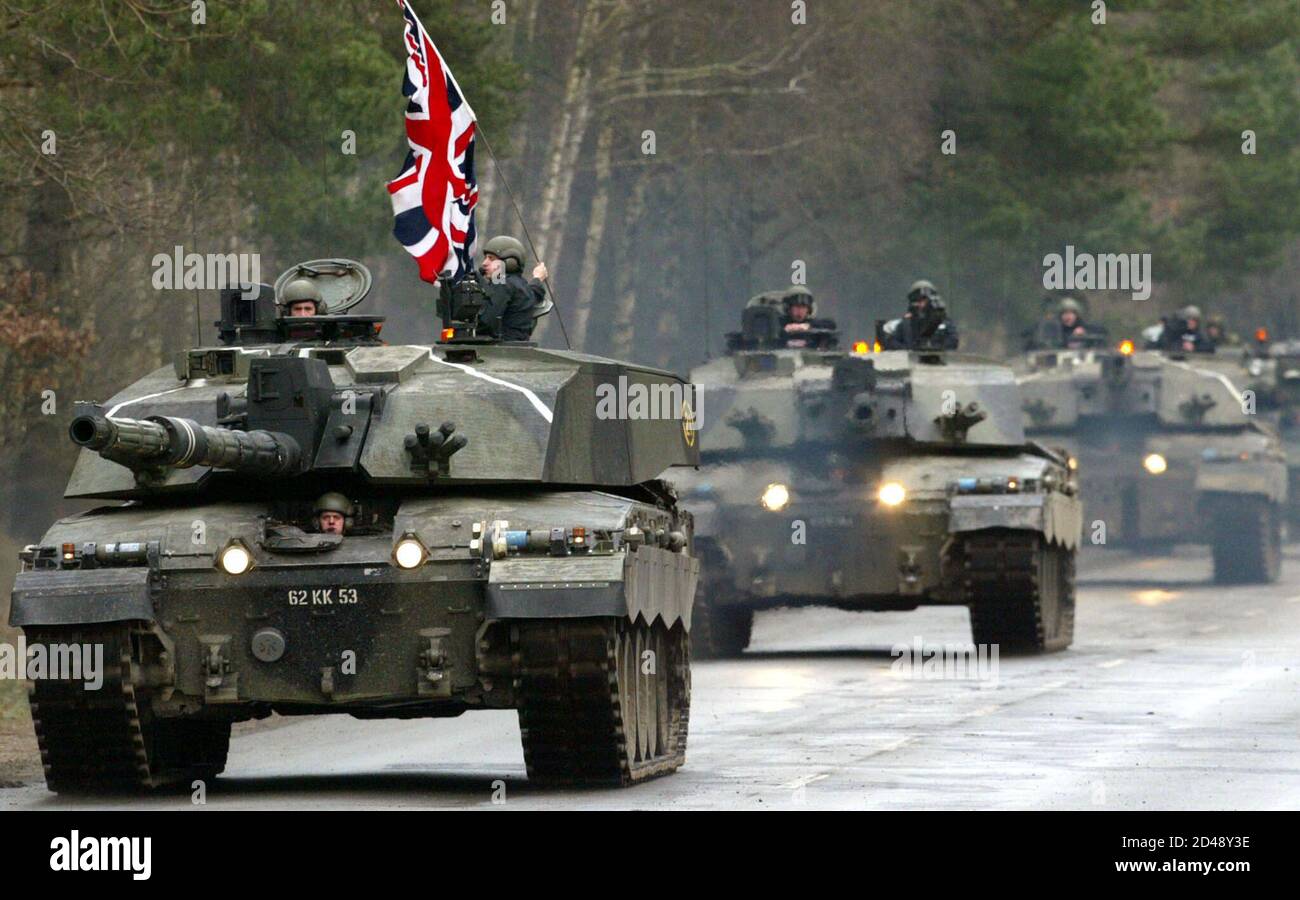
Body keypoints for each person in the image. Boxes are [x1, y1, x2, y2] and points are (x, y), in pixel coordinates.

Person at [478, 235, 551, 341]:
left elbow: (486, 322)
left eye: (491, 258)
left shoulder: (502, 284)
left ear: (510, 262)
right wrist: (537, 279)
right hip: (516, 347)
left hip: (498, 349)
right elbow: (534, 294)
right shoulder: (521, 285)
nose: (484, 263)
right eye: (485, 258)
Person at [881, 279, 959, 350]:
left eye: (924, 300)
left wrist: (935, 349)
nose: (921, 304)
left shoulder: (943, 322)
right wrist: (909, 351)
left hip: (938, 360)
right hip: (911, 362)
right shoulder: (906, 324)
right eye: (918, 300)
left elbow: (953, 340)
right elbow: (892, 342)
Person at [1148, 304, 1215, 353]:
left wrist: (1194, 348)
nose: (1191, 322)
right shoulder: (1176, 332)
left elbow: (1210, 347)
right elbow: (1163, 343)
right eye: (1188, 319)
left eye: (1194, 319)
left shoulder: (1200, 335)